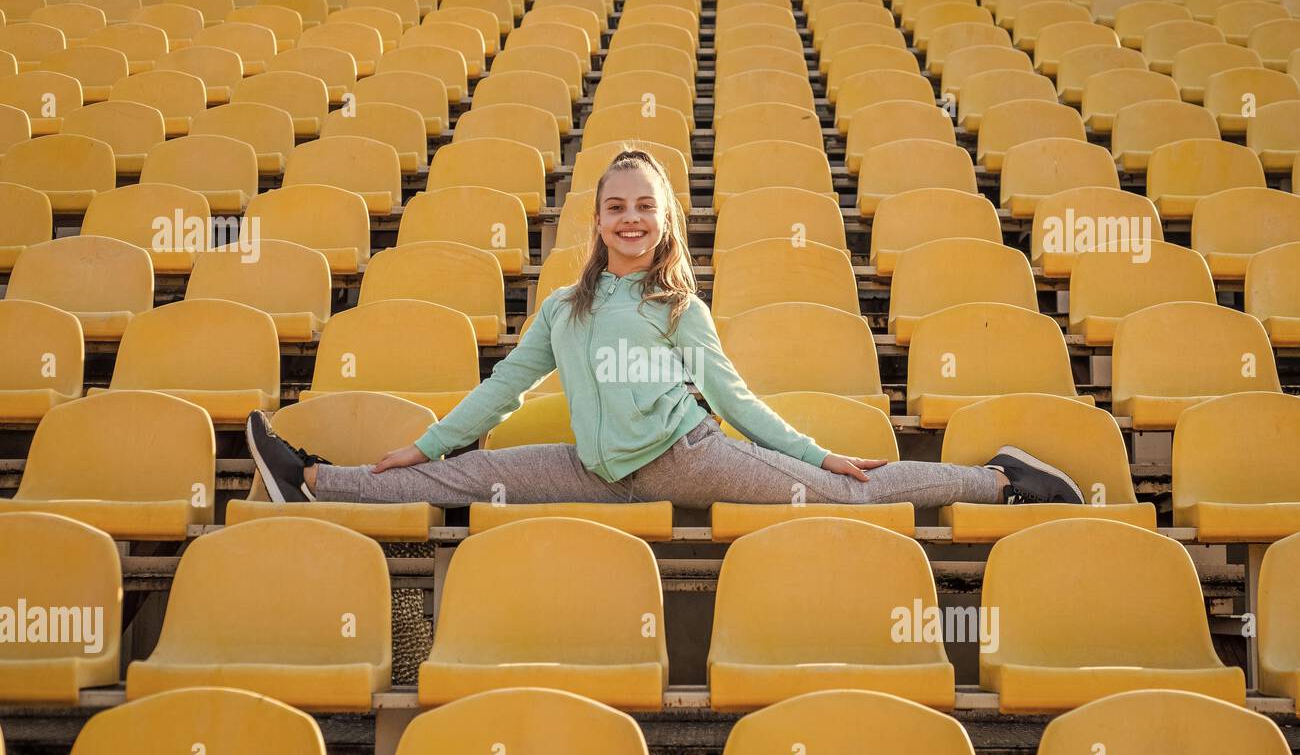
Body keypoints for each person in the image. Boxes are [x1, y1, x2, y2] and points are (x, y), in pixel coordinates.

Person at [245, 150, 1084, 510]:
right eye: (616, 207)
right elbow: (504, 388)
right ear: (598, 220)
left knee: (847, 495)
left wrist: (812, 452)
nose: (631, 218)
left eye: (645, 207)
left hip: (692, 458)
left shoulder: (679, 305)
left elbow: (734, 397)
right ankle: (318, 482)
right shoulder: (562, 310)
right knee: (470, 476)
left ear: (665, 220)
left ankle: (1002, 482)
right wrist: (426, 447)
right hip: (594, 470)